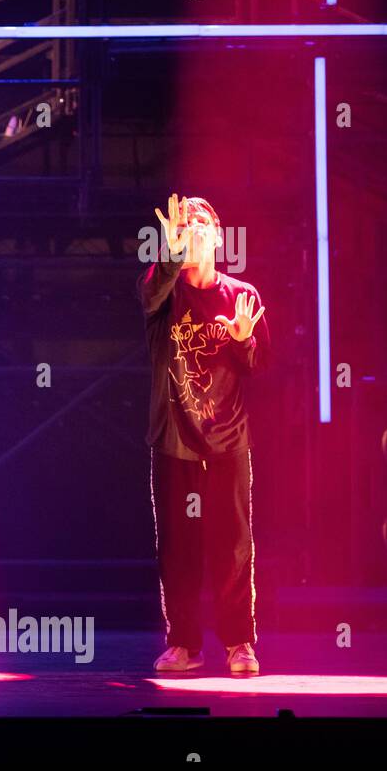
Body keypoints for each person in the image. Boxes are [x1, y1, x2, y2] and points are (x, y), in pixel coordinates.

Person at [138, 194, 269, 674]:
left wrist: (241, 340)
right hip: (174, 440)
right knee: (178, 545)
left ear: (217, 235)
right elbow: (150, 293)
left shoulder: (242, 295)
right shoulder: (164, 291)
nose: (191, 232)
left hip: (229, 441)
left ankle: (240, 643)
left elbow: (259, 365)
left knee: (234, 544)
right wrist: (169, 254)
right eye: (183, 227)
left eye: (199, 226)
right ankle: (184, 645)